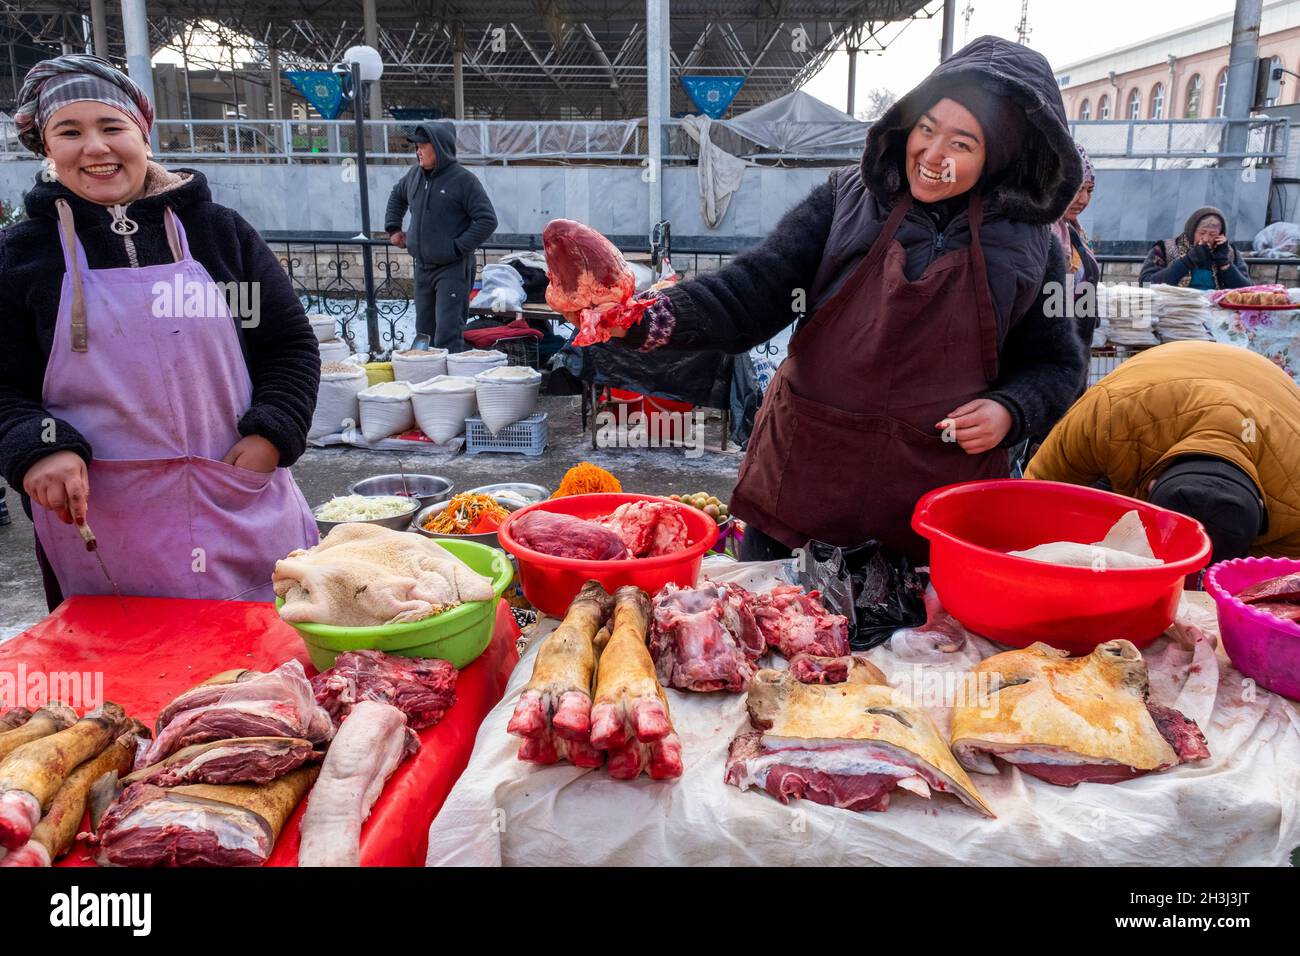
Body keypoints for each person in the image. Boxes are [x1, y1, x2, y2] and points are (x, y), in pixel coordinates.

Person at [574, 36, 1087, 563]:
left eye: (962, 144)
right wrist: (648, 318)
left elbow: (1058, 365)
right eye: (926, 130)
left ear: (998, 156)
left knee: (914, 648)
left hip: (932, 513)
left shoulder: (1033, 248)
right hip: (803, 487)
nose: (932, 156)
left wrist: (1011, 409)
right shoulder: (846, 201)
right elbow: (754, 291)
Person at [0, 54, 319, 609]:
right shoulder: (23, 256)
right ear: (47, 148)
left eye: (111, 126)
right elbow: (4, 388)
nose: (95, 148)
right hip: (104, 524)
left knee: (270, 673)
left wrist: (273, 431)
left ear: (142, 134)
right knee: (131, 680)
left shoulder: (217, 232)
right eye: (69, 131)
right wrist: (38, 448)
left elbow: (287, 344)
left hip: (237, 498)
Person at [1025, 341, 1300, 562]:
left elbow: (1273, 584)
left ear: (1264, 510)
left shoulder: (1294, 498)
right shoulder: (1111, 416)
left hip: (1264, 390)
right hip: (1157, 380)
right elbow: (1037, 495)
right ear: (1150, 484)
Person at [385, 122, 497, 351]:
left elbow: (487, 220)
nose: (418, 151)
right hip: (423, 266)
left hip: (453, 269)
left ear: (439, 147)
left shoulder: (464, 181)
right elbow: (397, 195)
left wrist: (457, 248)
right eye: (417, 146)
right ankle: (428, 383)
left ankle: (454, 385)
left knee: (448, 334)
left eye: (423, 146)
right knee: (424, 334)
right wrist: (393, 228)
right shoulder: (414, 175)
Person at [1050, 142, 1100, 343]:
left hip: (1076, 342)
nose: (1083, 199)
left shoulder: (1076, 233)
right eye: (1078, 188)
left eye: (1089, 190)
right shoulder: (1041, 232)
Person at [1140, 206, 1251, 291]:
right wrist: (1186, 261)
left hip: (1217, 315)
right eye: (1202, 233)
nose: (1206, 238)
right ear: (1192, 231)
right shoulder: (1164, 249)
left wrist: (1225, 265)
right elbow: (1145, 284)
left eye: (1212, 234)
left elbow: (1248, 291)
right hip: (1174, 313)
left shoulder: (1230, 253)